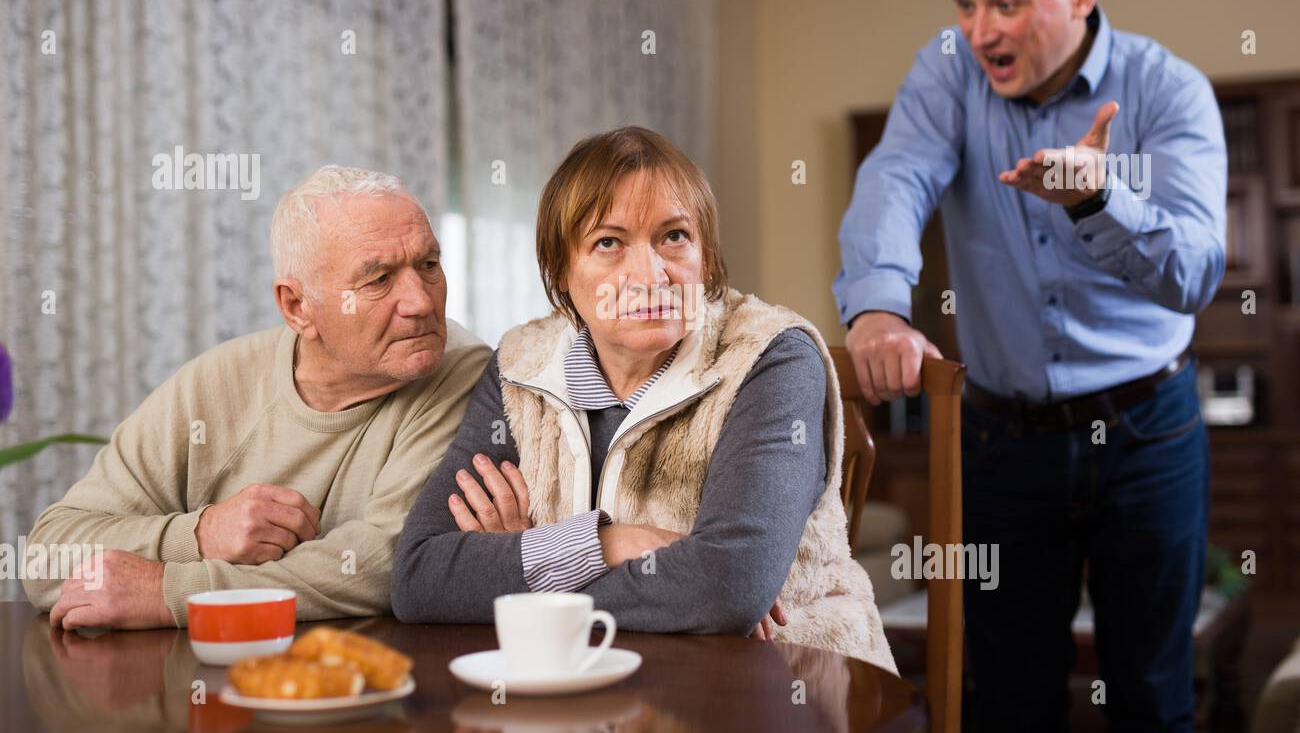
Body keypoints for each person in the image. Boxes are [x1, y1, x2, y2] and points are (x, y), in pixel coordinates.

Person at [834, 0, 1226, 733]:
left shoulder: (1169, 92)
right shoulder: (947, 73)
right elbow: (896, 179)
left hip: (1149, 432)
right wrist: (875, 309)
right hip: (1002, 441)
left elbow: (1195, 273)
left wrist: (1098, 194)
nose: (980, 30)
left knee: (1153, 709)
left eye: (1006, 3)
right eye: (965, 6)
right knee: (1011, 710)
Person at [392, 126, 897, 674]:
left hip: (787, 686)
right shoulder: (521, 363)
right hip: (599, 690)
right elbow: (420, 578)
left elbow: (727, 588)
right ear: (562, 272)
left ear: (705, 256)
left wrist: (527, 567)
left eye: (674, 236)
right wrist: (612, 543)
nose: (650, 275)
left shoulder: (770, 356)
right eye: (609, 243)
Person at [24, 166, 490, 629]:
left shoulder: (467, 373)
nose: (421, 302)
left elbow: (388, 564)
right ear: (297, 307)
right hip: (204, 685)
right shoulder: (213, 383)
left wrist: (170, 592)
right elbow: (47, 557)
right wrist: (200, 535)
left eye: (429, 265)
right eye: (378, 280)